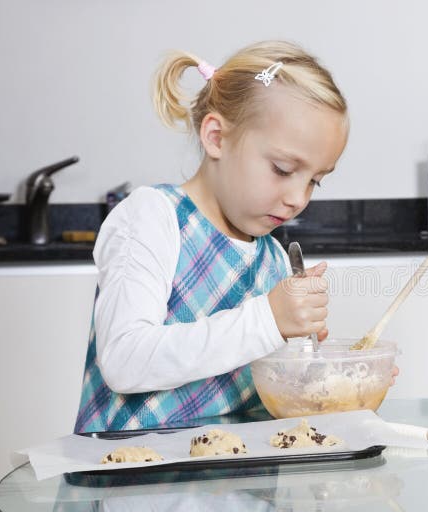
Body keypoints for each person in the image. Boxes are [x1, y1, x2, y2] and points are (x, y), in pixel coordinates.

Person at [75, 41, 349, 433]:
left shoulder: (272, 258)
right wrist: (269, 319)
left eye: (315, 182)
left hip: (237, 486)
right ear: (216, 137)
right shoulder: (153, 217)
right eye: (283, 169)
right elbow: (123, 360)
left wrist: (319, 370)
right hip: (132, 482)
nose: (297, 199)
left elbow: (253, 380)